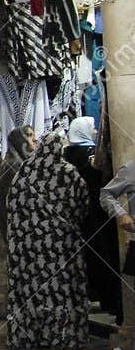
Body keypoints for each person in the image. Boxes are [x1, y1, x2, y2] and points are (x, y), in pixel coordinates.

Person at [6, 131, 89, 349]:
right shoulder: (68, 173)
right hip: (61, 245)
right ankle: (62, 335)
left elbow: (12, 204)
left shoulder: (25, 171)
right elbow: (83, 203)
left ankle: (29, 334)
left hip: (28, 247)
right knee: (61, 289)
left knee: (32, 289)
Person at [61, 117, 121, 320]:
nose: (96, 131)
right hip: (98, 215)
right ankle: (112, 302)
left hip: (80, 217)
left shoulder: (66, 157)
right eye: (93, 128)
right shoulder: (90, 156)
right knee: (105, 255)